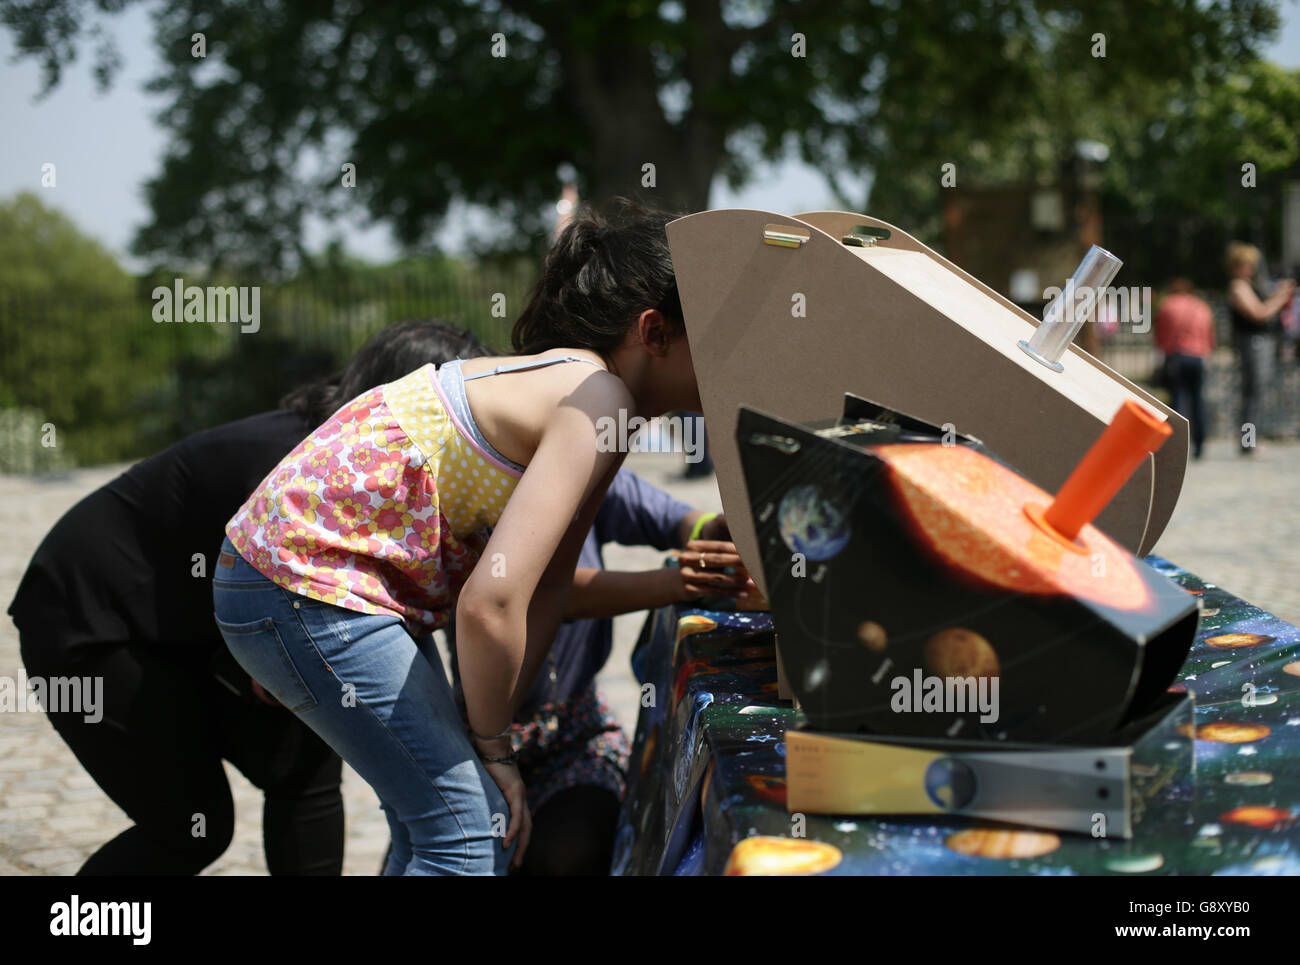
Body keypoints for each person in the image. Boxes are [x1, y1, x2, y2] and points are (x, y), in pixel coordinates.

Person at [213, 199, 702, 875]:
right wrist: (495, 749)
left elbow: (545, 591)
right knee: (469, 837)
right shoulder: (598, 398)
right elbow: (489, 603)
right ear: (653, 331)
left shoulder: (600, 401)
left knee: (443, 826)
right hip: (305, 582)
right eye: (714, 342)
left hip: (292, 580)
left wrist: (485, 740)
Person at [8, 319, 487, 875]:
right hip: (92, 620)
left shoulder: (362, 469)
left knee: (303, 767)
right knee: (190, 827)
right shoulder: (307, 465)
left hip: (190, 626)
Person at [439, 473, 749, 875]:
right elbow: (540, 592)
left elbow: (668, 516)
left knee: (576, 845)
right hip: (478, 737)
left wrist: (715, 530)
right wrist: (677, 582)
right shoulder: (474, 482)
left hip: (575, 728)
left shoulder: (586, 471)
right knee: (458, 852)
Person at [1225, 242, 1296, 455]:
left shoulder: (1248, 284)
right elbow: (1259, 313)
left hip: (1259, 344)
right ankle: (1248, 443)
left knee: (1256, 394)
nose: (1252, 268)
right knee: (1253, 394)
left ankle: (1250, 442)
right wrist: (1280, 296)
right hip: (1253, 345)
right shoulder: (1238, 286)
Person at [1154, 279, 1215, 460]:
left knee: (1178, 400)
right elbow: (1210, 336)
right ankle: (1200, 443)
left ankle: (1179, 445)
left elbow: (1160, 335)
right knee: (1198, 400)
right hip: (1198, 357)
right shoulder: (1202, 307)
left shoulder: (1167, 305)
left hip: (1177, 356)